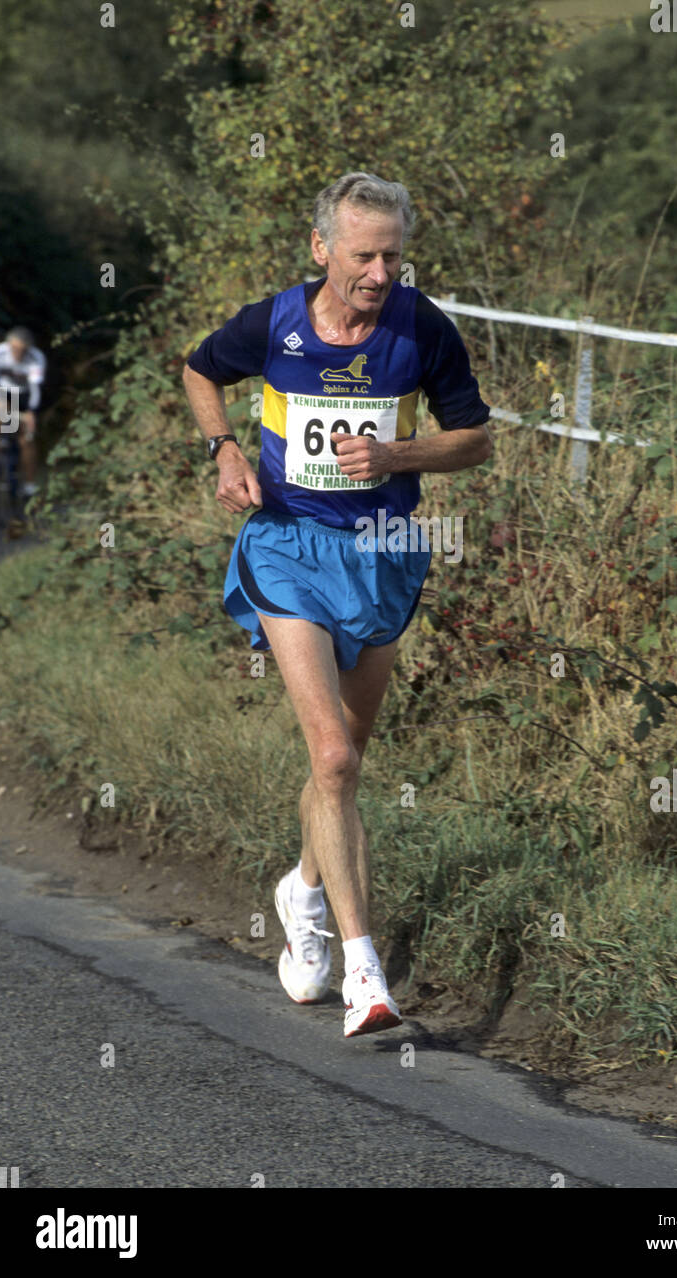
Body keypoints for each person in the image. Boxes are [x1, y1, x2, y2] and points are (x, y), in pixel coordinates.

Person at [183, 172, 492, 1037]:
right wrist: (223, 451)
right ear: (322, 249)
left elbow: (474, 439)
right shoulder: (274, 321)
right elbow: (200, 370)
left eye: (393, 255)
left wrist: (398, 458)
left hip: (383, 554)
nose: (381, 272)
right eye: (364, 255)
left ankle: (304, 890)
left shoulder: (420, 326)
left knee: (347, 756)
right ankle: (366, 974)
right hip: (285, 544)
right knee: (331, 758)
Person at [0, 325, 47, 496]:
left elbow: (36, 388)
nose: (17, 353)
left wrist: (31, 413)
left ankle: (29, 484)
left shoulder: (36, 358)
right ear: (8, 345)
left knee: (27, 439)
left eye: (22, 350)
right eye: (14, 348)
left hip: (25, 396)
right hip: (2, 393)